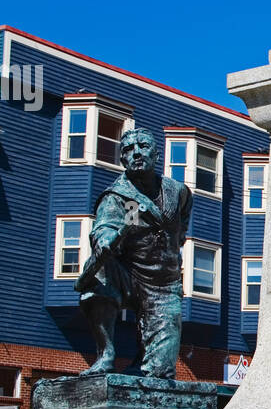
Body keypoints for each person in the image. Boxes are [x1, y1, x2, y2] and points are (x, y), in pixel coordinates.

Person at [75, 127, 192, 378]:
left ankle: (142, 362)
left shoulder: (178, 192)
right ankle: (105, 355)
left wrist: (176, 241)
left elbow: (182, 220)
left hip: (164, 285)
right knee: (100, 273)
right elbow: (111, 226)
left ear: (157, 155)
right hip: (129, 275)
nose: (136, 153)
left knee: (160, 372)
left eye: (143, 147)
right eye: (128, 150)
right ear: (122, 160)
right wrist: (105, 239)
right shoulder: (122, 196)